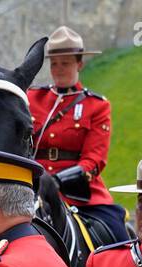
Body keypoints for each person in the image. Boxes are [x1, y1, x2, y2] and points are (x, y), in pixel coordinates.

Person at [28, 26, 127, 243]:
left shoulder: (96, 105)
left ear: (79, 64)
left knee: (117, 236)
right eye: (54, 63)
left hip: (78, 193)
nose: (59, 69)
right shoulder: (32, 97)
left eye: (65, 63)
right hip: (31, 188)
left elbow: (95, 159)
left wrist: (57, 182)